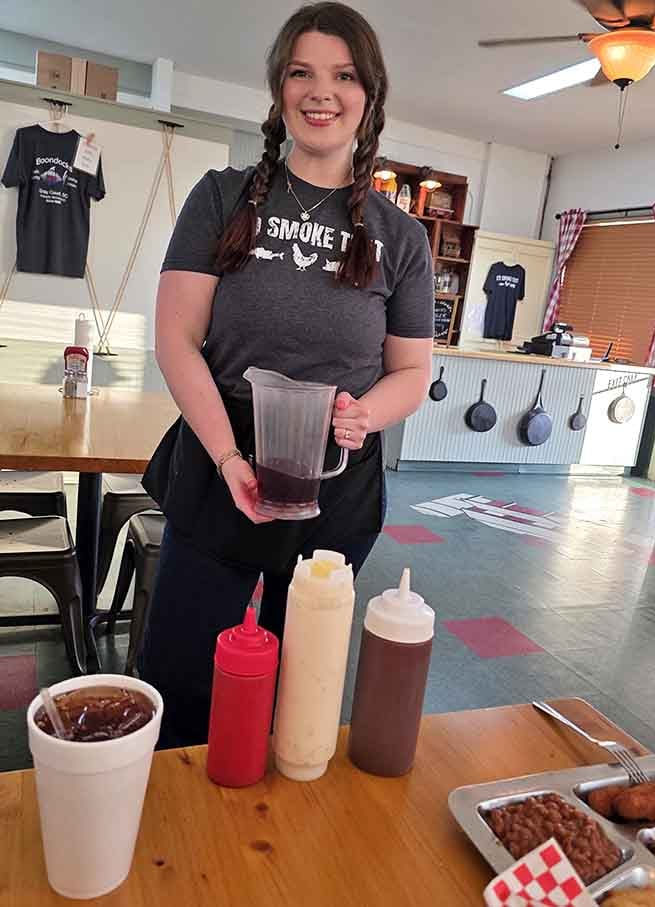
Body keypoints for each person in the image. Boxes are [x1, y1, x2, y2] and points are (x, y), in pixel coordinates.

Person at [139, 1, 434, 748]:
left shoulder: (400, 237)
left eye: (343, 75)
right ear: (278, 89)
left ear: (369, 95)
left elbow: (410, 371)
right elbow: (176, 335)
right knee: (183, 671)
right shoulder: (222, 196)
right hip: (222, 452)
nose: (321, 91)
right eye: (301, 72)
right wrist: (229, 456)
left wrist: (365, 414)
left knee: (299, 683)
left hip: (337, 468)